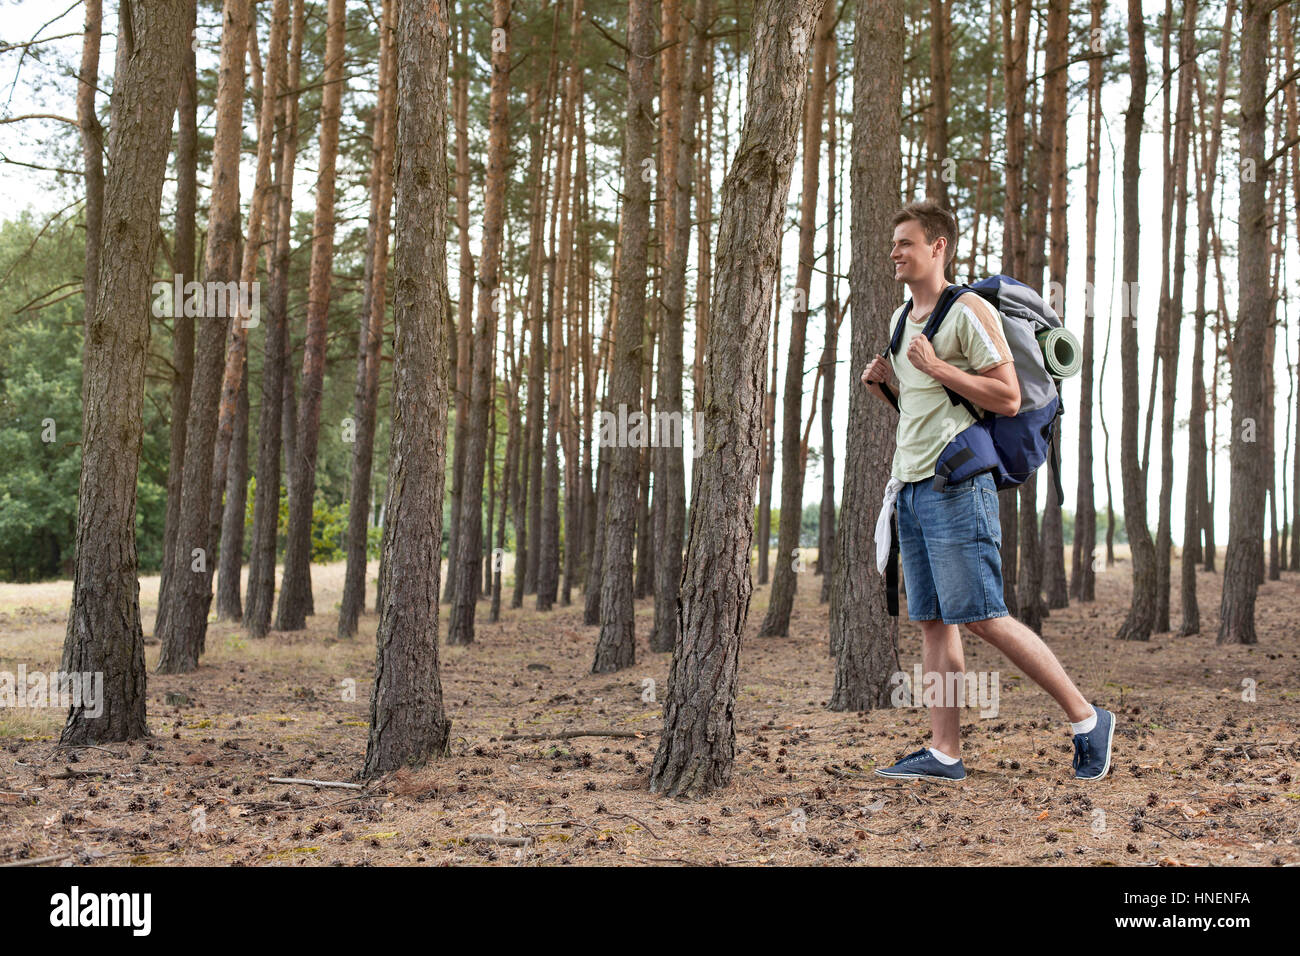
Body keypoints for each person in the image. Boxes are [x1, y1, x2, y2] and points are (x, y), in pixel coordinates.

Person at [860, 199, 1114, 782]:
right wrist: (888, 389)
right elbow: (929, 409)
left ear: (937, 247)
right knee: (933, 622)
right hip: (915, 489)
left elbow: (1006, 398)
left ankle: (1087, 718)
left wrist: (937, 365)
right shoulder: (906, 320)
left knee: (982, 616)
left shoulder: (965, 310)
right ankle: (945, 752)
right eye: (894, 243)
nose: (895, 252)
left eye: (906, 242)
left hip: (959, 486)